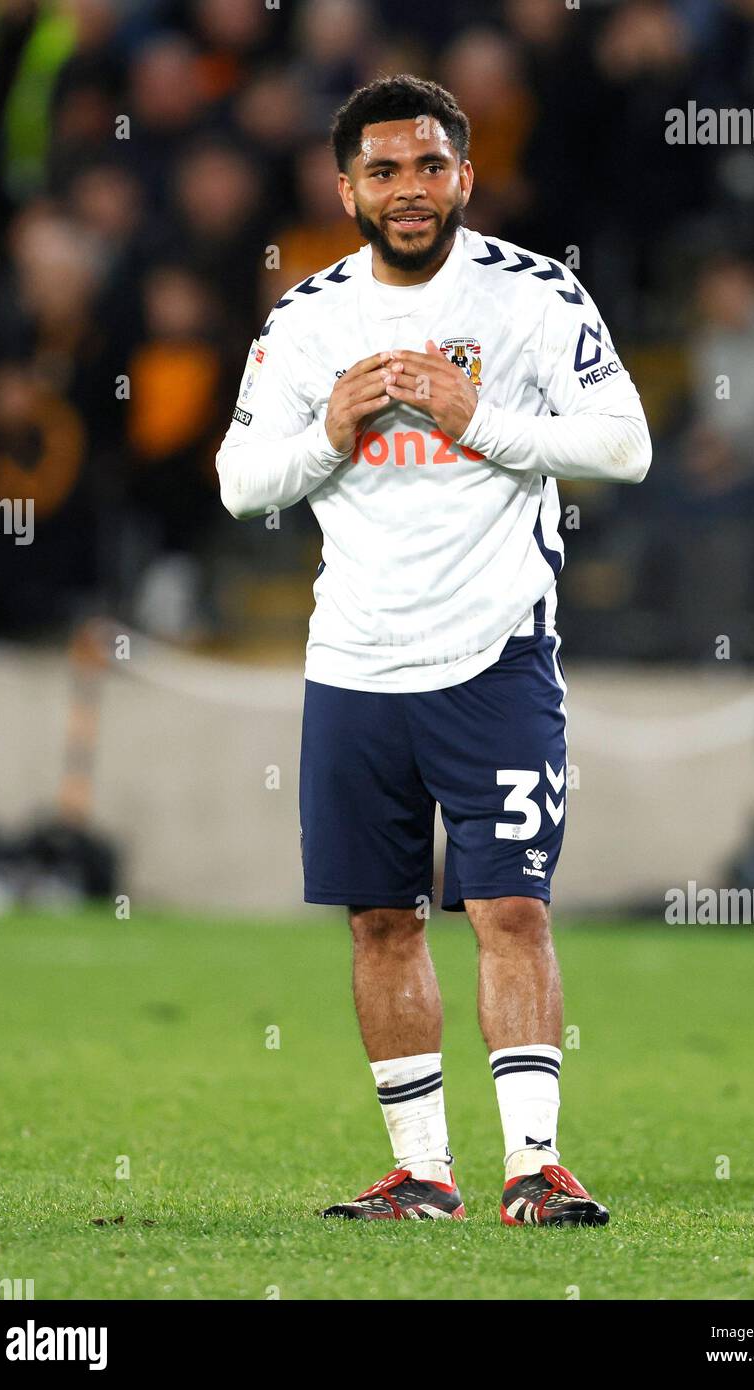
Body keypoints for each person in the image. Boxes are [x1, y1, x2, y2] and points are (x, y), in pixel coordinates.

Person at [216, 74, 651, 1225]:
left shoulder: (533, 294)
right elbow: (237, 479)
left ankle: (533, 1167)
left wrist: (476, 421)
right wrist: (329, 430)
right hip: (353, 663)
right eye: (382, 171)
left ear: (464, 173)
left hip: (492, 653)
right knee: (379, 918)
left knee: (507, 907)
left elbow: (625, 445)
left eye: (427, 167)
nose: (407, 191)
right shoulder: (308, 319)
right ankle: (421, 1173)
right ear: (344, 185)